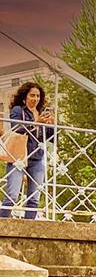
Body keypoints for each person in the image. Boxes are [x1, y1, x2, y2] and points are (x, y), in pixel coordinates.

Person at [0, 82, 55, 220]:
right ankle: (2, 224)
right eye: (32, 95)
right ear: (25, 97)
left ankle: (29, 226)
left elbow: (52, 138)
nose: (35, 99)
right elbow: (17, 128)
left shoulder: (41, 113)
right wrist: (37, 122)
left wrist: (52, 125)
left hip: (37, 157)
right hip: (18, 156)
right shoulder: (18, 110)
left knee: (34, 198)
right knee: (12, 195)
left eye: (38, 96)